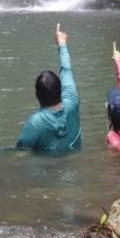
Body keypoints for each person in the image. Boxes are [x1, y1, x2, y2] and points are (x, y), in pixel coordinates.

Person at [16, 23, 81, 152]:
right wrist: (62, 44)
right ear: (61, 90)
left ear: (36, 95)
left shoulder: (34, 123)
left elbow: (20, 154)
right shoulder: (72, 101)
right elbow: (66, 70)